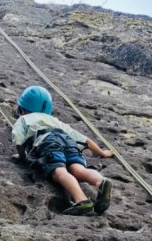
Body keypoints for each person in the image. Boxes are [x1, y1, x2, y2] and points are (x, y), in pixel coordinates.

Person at [12, 85, 114, 215]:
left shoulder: (23, 119)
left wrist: (22, 156)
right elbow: (86, 141)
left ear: (22, 110)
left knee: (59, 172)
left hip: (48, 142)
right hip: (68, 140)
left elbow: (18, 139)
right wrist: (102, 153)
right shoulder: (55, 121)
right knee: (78, 169)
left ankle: (81, 200)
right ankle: (101, 182)